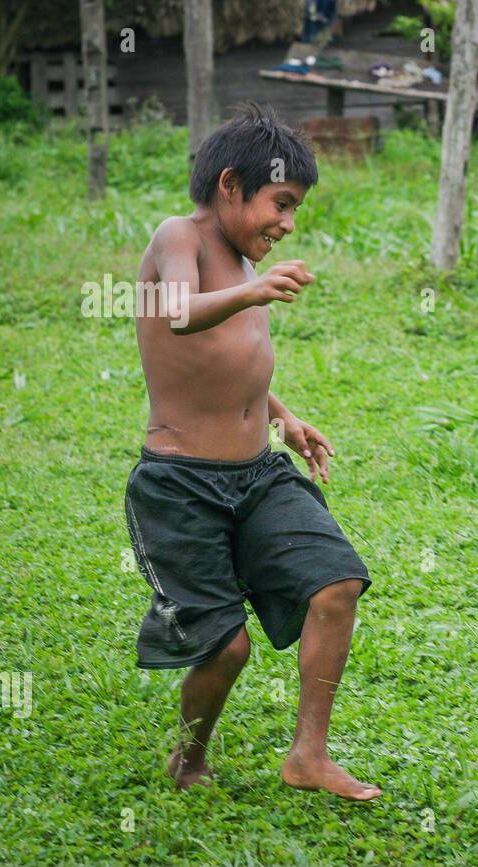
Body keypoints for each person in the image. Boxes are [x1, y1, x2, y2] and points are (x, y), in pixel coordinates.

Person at [125, 104, 379, 801]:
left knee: (337, 584)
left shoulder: (242, 262)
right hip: (180, 483)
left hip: (259, 472)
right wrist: (253, 288)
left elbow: (233, 361)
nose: (289, 223)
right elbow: (179, 312)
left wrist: (286, 417)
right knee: (225, 646)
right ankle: (188, 756)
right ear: (231, 184)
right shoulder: (179, 237)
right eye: (282, 203)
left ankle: (309, 756)